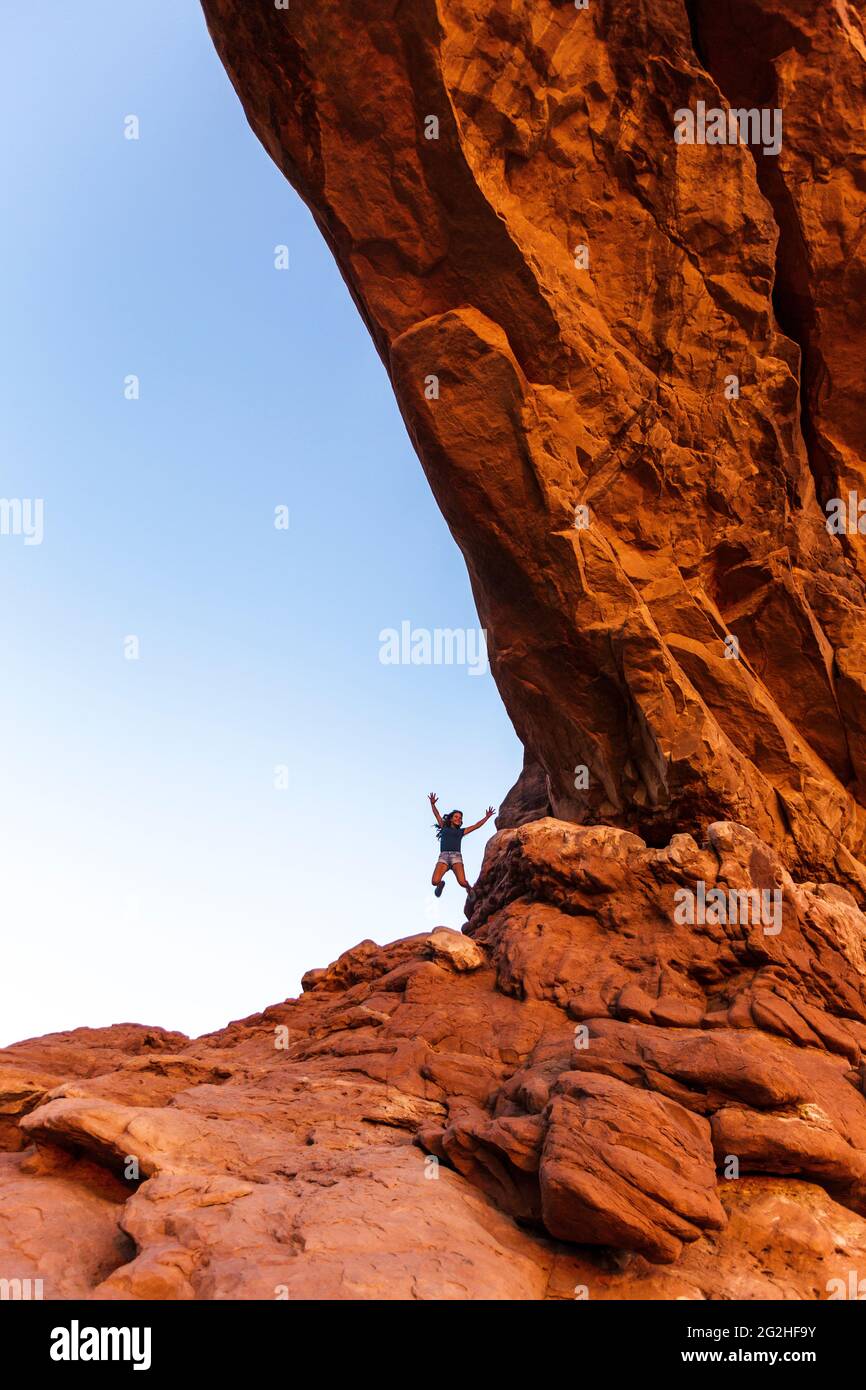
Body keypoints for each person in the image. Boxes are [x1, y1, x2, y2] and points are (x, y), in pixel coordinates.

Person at [429, 792, 495, 897]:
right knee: (434, 881)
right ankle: (440, 885)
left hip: (456, 857)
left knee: (462, 882)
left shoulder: (461, 832)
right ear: (451, 818)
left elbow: (476, 826)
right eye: (456, 816)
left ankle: (469, 889)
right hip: (443, 857)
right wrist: (432, 804)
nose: (458, 819)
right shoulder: (444, 826)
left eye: (460, 818)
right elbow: (436, 814)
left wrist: (486, 817)